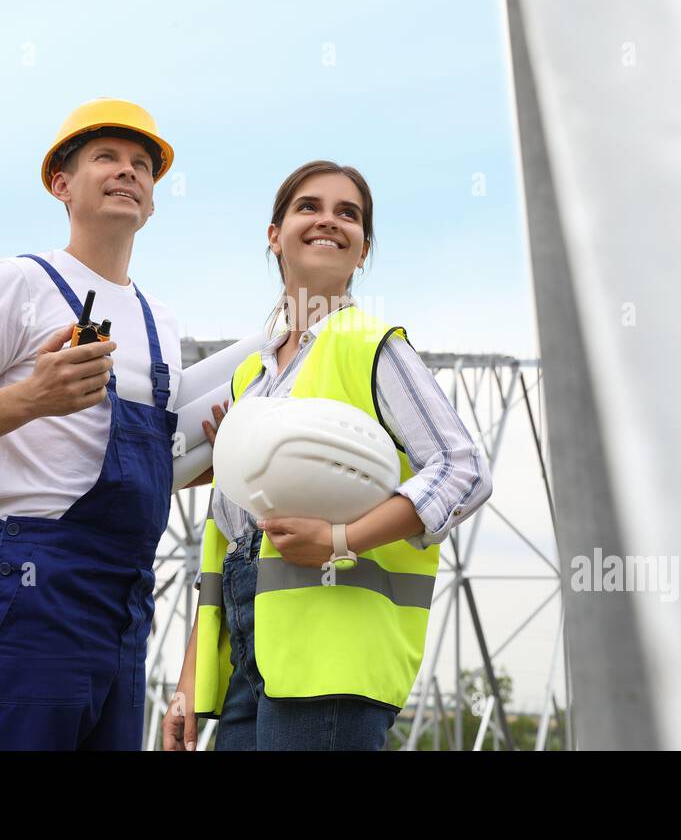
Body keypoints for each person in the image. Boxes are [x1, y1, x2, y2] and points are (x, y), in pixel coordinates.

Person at [0, 98, 212, 750]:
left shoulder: (162, 323)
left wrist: (226, 455)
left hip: (127, 602)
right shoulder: (21, 283)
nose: (128, 172)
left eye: (142, 165)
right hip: (36, 586)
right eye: (107, 158)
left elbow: (133, 466)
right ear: (61, 184)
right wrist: (30, 398)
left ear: (152, 200)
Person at [163, 160, 493, 751]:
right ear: (275, 234)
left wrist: (341, 542)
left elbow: (463, 470)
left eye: (349, 214)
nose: (329, 221)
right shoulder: (248, 380)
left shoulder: (370, 344)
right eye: (309, 207)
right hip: (249, 657)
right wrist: (193, 674)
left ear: (363, 250)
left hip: (333, 663)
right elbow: (225, 535)